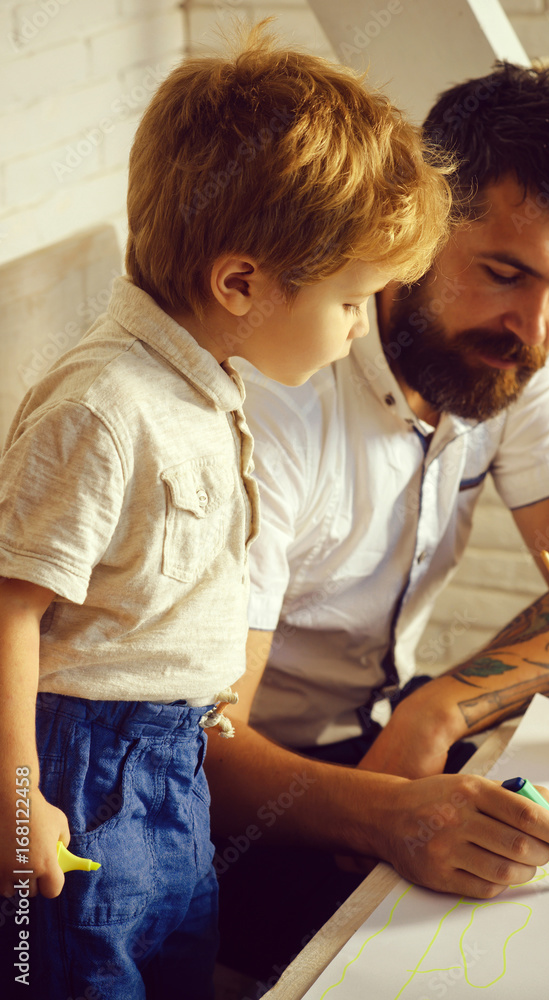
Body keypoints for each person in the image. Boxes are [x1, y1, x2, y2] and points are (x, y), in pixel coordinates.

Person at [0, 25, 451, 999]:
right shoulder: (102, 406)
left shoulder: (210, 383)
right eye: (349, 302)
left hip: (173, 766)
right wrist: (20, 796)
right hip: (88, 768)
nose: (355, 331)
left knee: (179, 971)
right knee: (83, 975)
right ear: (241, 283)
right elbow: (10, 610)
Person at [205, 62, 549, 988]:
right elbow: (197, 748)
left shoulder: (507, 353)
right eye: (503, 272)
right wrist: (380, 813)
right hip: (243, 792)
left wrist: (438, 705)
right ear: (414, 220)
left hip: (392, 722)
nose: (534, 326)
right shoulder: (277, 395)